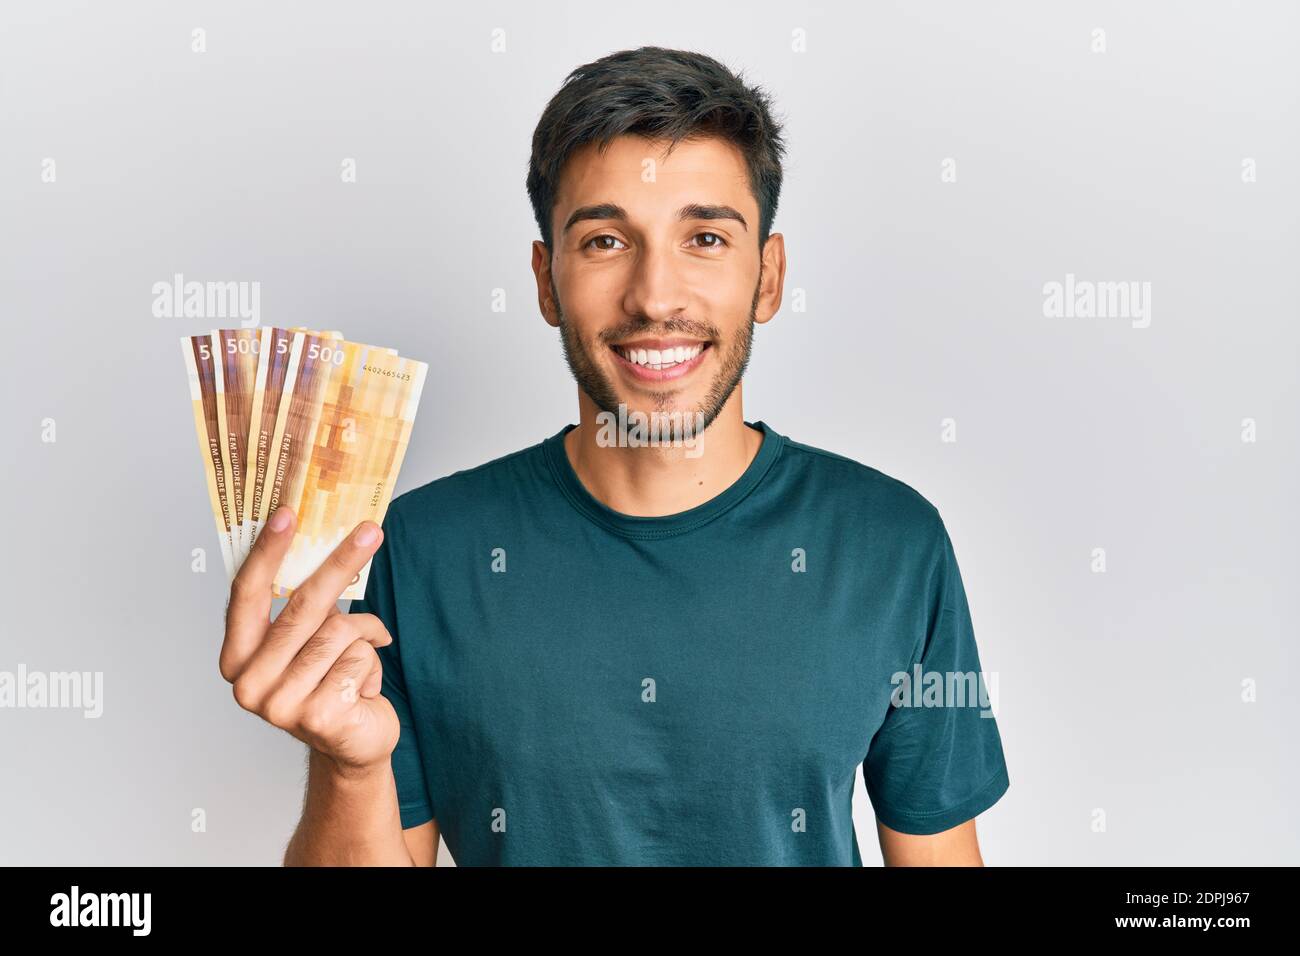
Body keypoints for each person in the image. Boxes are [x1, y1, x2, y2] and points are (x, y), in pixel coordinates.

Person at [221, 46, 1009, 866]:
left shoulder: (892, 542)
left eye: (704, 236)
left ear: (768, 278)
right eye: (604, 241)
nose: (655, 296)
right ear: (546, 280)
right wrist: (350, 769)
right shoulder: (419, 548)